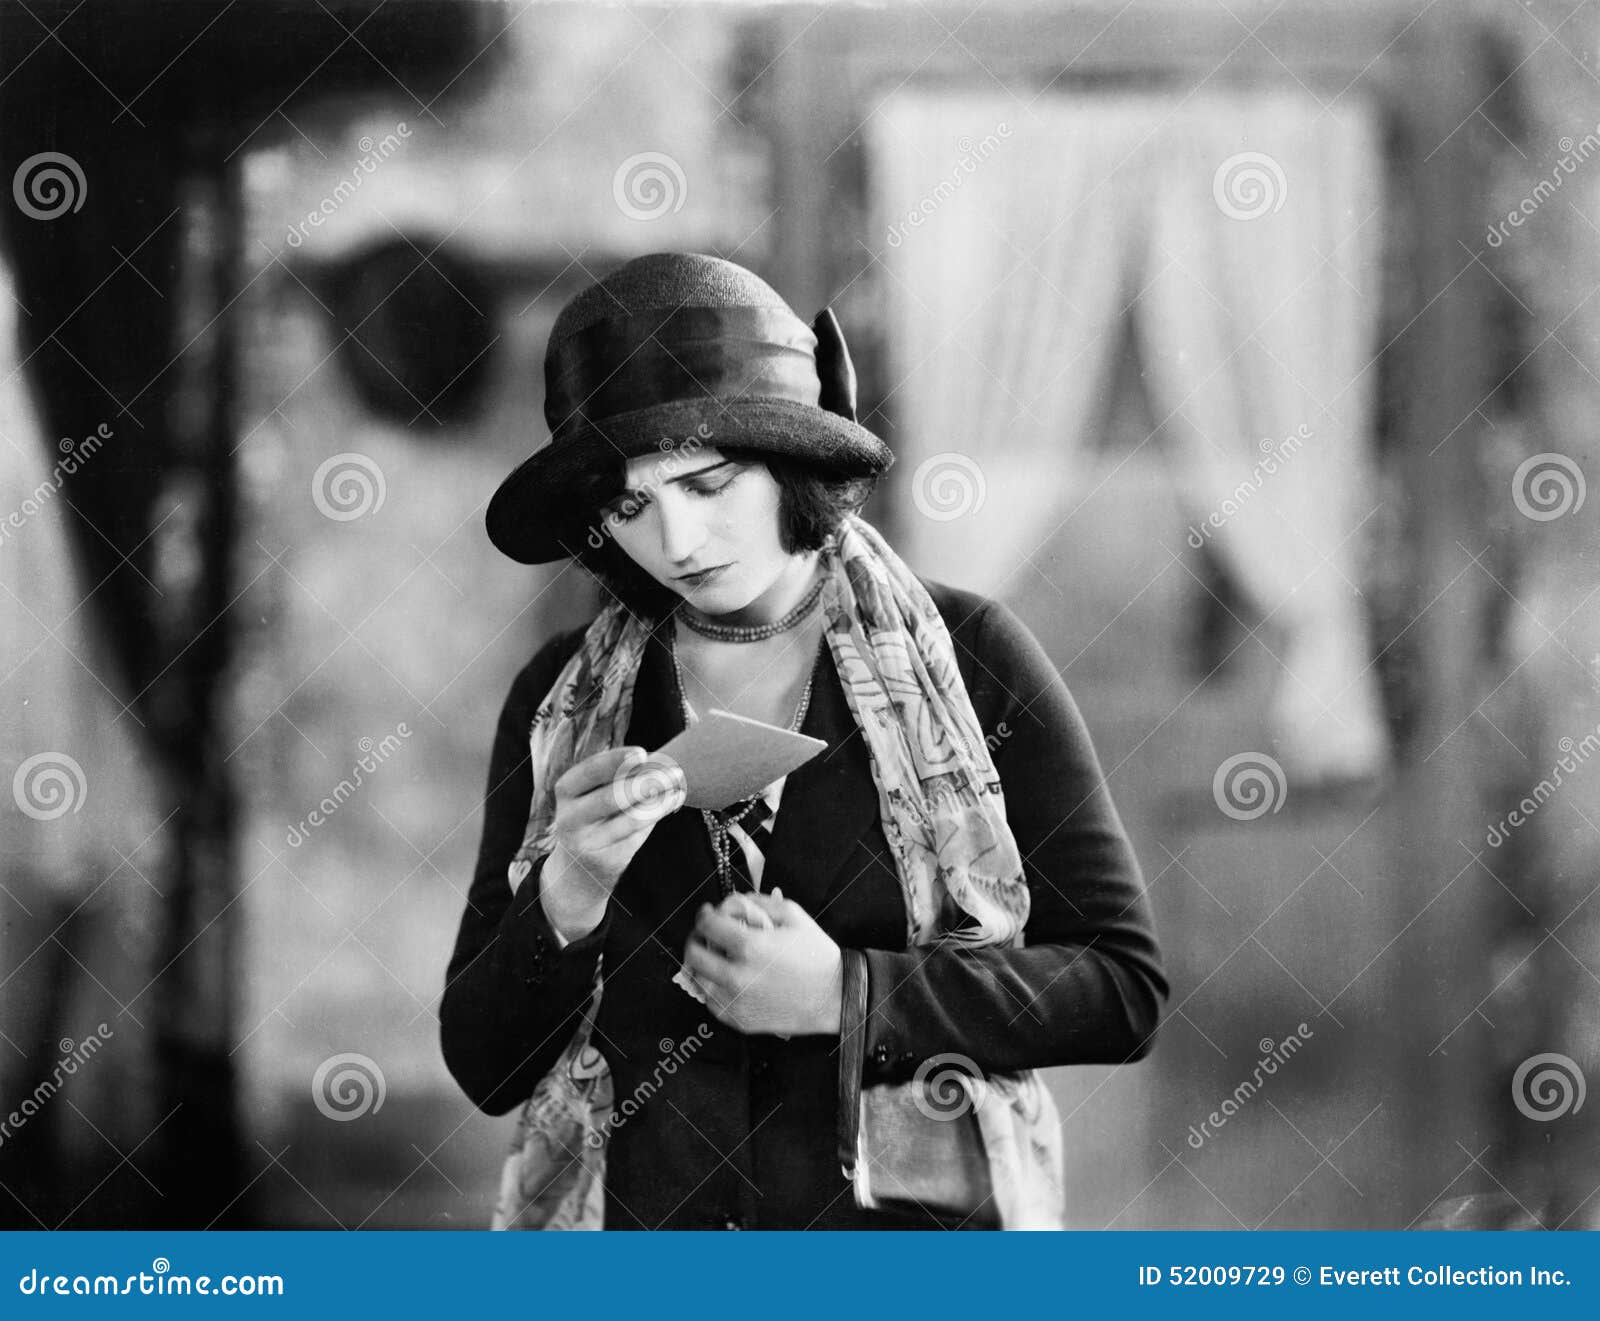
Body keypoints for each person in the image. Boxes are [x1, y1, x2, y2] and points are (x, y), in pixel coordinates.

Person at [439, 252, 1167, 1230]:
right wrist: (566, 890)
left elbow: (1120, 991)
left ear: (790, 457)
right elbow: (486, 1066)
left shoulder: (970, 656)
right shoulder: (560, 702)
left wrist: (848, 993)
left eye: (707, 482)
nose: (680, 541)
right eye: (629, 506)